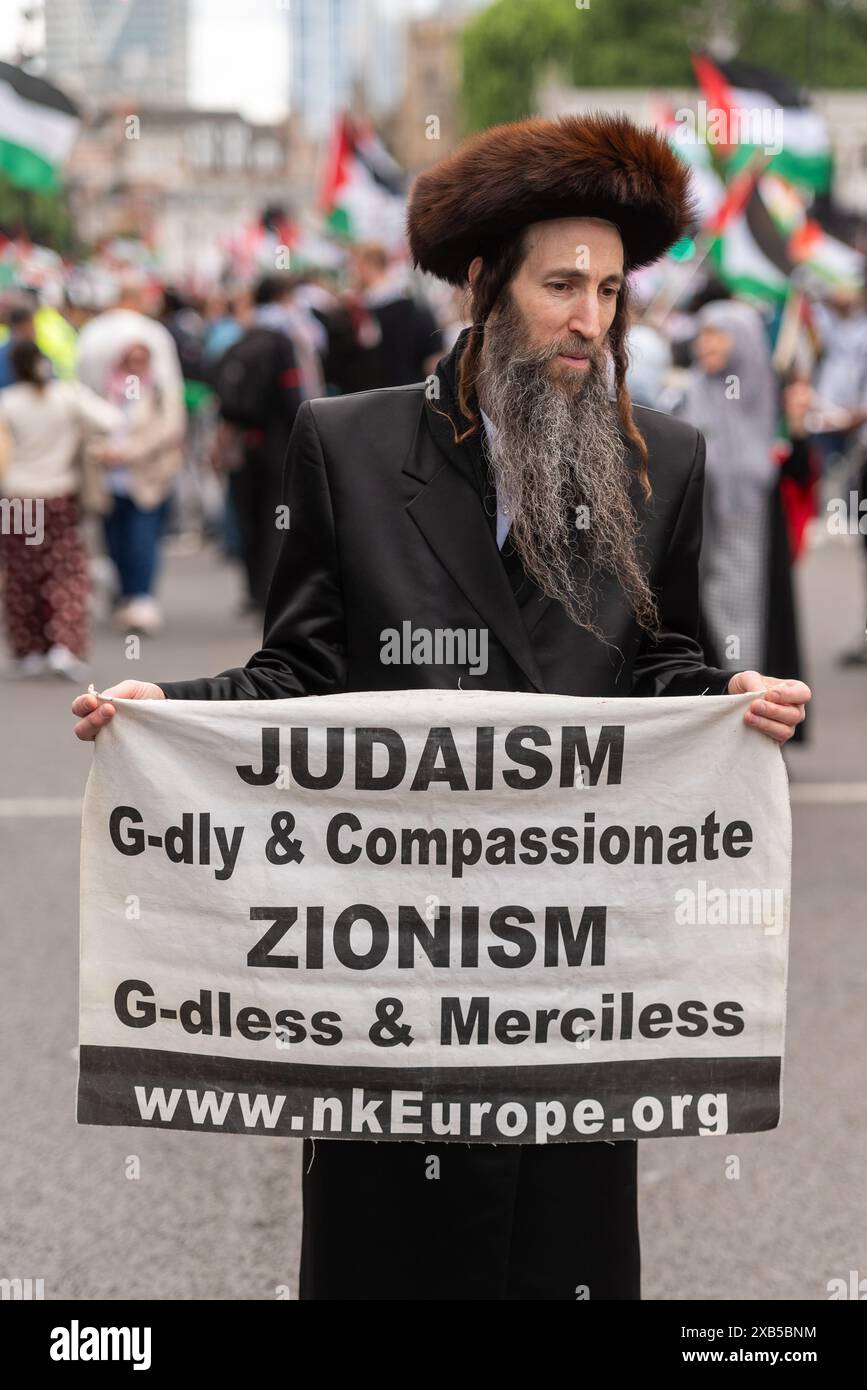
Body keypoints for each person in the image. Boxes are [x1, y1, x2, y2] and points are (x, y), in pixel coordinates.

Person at [72, 112, 810, 1301]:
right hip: (392, 981)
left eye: (612, 291)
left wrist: (729, 697)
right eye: (561, 284)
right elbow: (298, 675)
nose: (590, 321)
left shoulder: (660, 458)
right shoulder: (348, 445)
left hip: (567, 982)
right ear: (483, 284)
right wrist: (177, 713)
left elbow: (658, 662)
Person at [0, 340, 122, 677]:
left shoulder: (8, 401)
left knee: (23, 575)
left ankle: (29, 648)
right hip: (59, 494)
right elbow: (112, 420)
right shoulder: (68, 395)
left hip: (18, 497)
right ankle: (65, 645)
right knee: (66, 572)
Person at [81, 340, 186, 635]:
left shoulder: (160, 392)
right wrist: (101, 451)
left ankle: (142, 599)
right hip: (110, 482)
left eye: (143, 360)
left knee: (142, 539)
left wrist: (126, 452)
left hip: (147, 480)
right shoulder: (105, 393)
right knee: (115, 542)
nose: (137, 367)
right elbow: (90, 429)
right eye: (132, 360)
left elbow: (168, 430)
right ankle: (125, 596)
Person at [322, 242, 443, 393]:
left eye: (354, 266)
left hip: (371, 400)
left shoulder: (354, 313)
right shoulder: (416, 308)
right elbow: (433, 362)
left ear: (367, 266)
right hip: (412, 397)